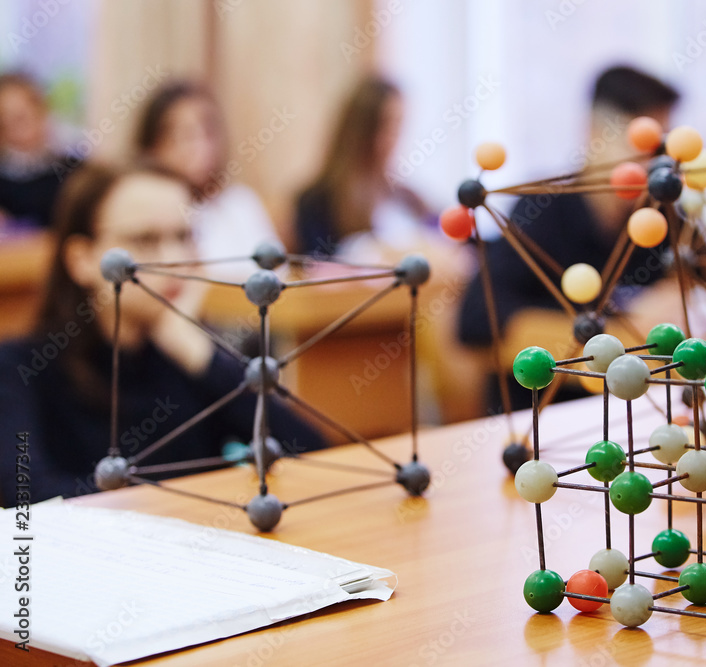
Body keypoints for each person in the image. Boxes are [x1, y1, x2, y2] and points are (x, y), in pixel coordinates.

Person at [0, 163, 326, 507]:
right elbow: (27, 500)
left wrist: (203, 358)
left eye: (184, 237)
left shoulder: (189, 358)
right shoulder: (19, 368)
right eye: (144, 240)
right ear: (81, 259)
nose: (174, 259)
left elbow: (313, 455)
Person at [458, 65, 706, 412]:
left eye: (663, 144)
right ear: (594, 132)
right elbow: (478, 325)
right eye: (642, 143)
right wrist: (630, 337)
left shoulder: (661, 209)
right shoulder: (541, 209)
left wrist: (693, 300)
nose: (655, 160)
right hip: (548, 423)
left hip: (641, 418)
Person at [135, 81, 279, 266]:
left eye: (208, 133)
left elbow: (277, 274)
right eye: (182, 136)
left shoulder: (240, 204)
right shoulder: (143, 214)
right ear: (151, 146)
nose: (199, 148)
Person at [294, 75, 437, 262]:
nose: (395, 138)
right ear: (361, 131)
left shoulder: (407, 198)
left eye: (399, 125)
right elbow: (316, 269)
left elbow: (446, 238)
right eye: (388, 126)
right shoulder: (317, 202)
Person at [0, 72, 74, 229]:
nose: (17, 128)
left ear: (42, 111)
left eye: (22, 116)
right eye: (6, 119)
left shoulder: (74, 171)